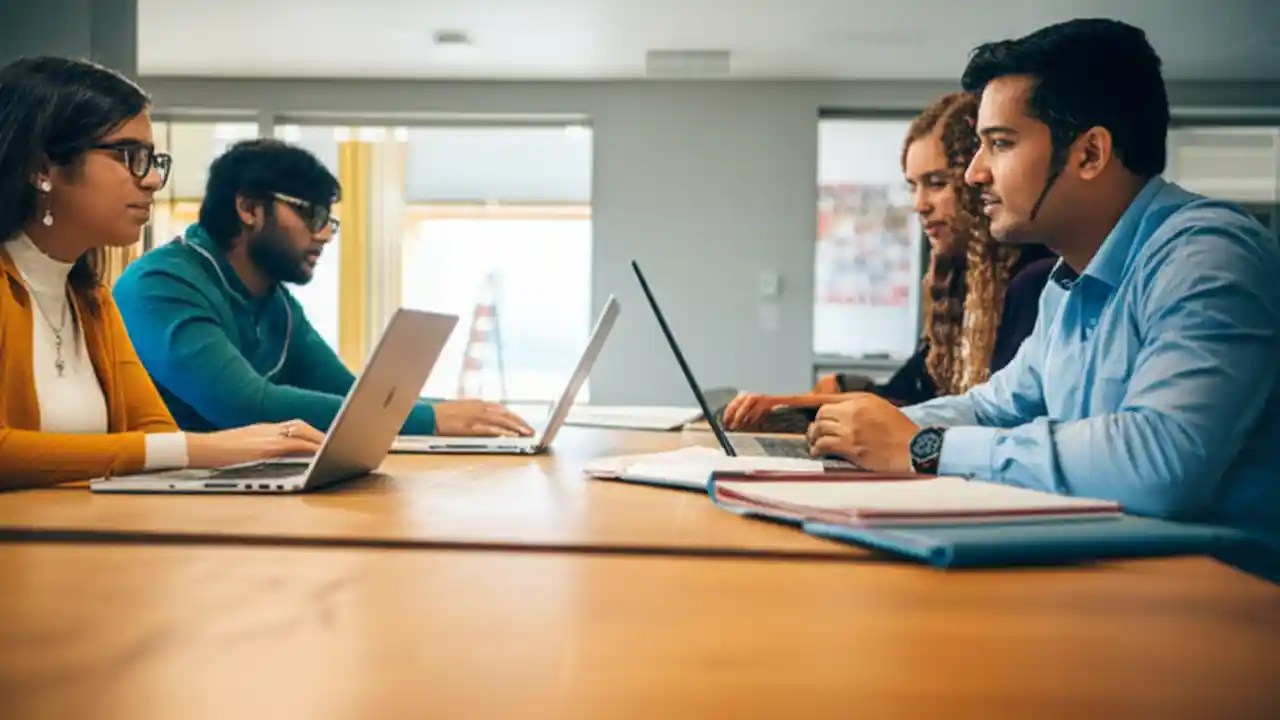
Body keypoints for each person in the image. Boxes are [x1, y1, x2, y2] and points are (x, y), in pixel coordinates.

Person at [808, 19, 1280, 529]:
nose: (975, 173)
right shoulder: (1067, 283)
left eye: (1001, 144)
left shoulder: (1206, 256)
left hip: (1220, 593)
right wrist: (851, 433)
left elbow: (1161, 462)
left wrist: (924, 447)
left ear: (1090, 154)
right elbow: (993, 409)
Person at [0, 57, 323, 489]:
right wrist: (209, 448)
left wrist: (223, 450)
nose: (152, 179)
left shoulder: (91, 300)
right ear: (42, 168)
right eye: (129, 156)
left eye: (153, 159)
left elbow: (152, 432)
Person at [114, 139, 533, 438]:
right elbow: (244, 406)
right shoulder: (161, 285)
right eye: (311, 214)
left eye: (328, 221)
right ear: (248, 208)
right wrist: (429, 420)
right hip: (160, 504)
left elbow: (347, 394)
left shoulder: (275, 302)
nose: (324, 234)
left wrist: (458, 414)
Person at [723, 92, 1056, 431]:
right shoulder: (956, 285)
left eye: (937, 183)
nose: (919, 204)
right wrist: (794, 407)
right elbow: (910, 398)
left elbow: (991, 418)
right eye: (913, 186)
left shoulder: (1037, 282)